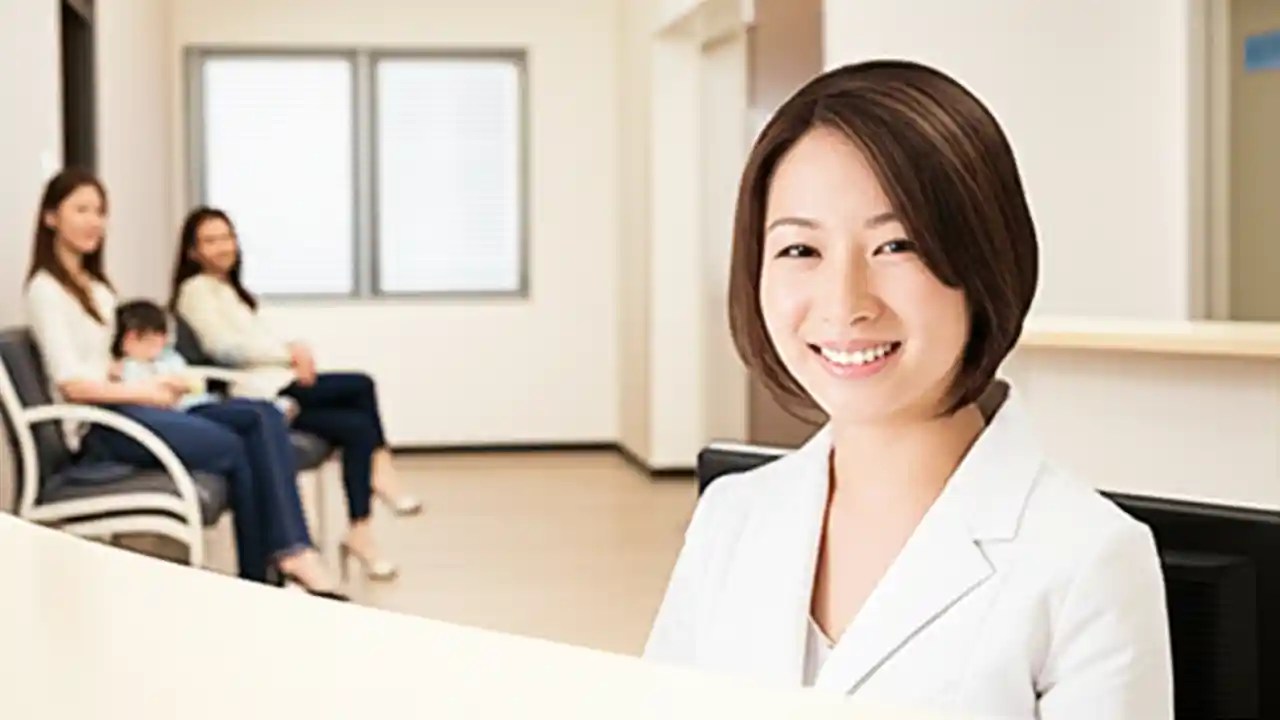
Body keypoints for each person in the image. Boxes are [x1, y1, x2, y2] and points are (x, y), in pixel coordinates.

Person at [642, 60, 1173, 718]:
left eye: (896, 246)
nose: (845, 303)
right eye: (800, 251)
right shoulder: (731, 517)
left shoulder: (1088, 559)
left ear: (983, 261)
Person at [24, 168, 346, 599]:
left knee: (261, 415)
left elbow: (107, 360)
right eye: (81, 210)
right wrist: (146, 392)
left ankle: (287, 555)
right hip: (101, 425)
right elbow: (72, 385)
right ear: (50, 218)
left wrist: (153, 376)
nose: (94, 221)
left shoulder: (96, 287)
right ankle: (268, 573)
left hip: (132, 403)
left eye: (100, 211)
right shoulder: (45, 290)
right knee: (236, 445)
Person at [171, 207, 409, 582]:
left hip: (277, 381)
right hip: (260, 389)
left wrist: (289, 351)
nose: (223, 246)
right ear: (192, 251)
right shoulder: (196, 290)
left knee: (355, 426)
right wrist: (288, 353)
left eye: (227, 237)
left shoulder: (234, 293)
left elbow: (250, 342)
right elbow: (222, 348)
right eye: (211, 240)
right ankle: (380, 470)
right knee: (360, 385)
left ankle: (360, 532)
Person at [112, 299, 299, 421]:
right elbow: (131, 393)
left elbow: (193, 384)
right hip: (185, 413)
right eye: (142, 338)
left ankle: (274, 406)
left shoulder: (169, 360)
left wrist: (181, 384)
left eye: (158, 336)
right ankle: (274, 410)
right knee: (247, 413)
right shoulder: (124, 367)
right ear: (124, 340)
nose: (153, 343)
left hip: (201, 402)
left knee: (240, 404)